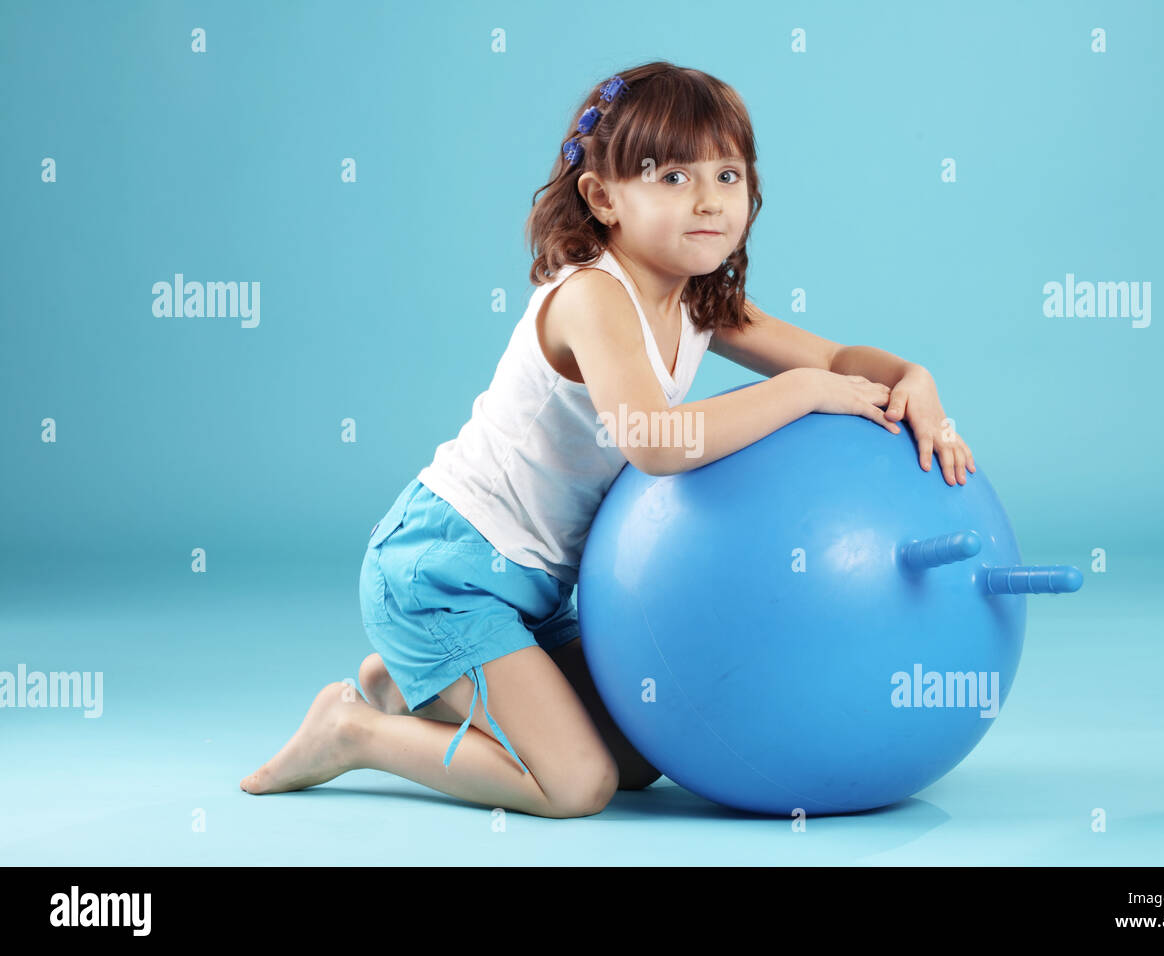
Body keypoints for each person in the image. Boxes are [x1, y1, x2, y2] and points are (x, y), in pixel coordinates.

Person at [240, 60, 975, 818]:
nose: (709, 201)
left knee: (634, 760)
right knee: (577, 785)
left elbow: (832, 360)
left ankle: (405, 685)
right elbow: (655, 441)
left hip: (539, 588)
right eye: (672, 178)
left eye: (728, 176)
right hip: (444, 573)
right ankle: (354, 730)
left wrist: (914, 376)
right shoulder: (592, 295)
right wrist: (800, 394)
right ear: (602, 198)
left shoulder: (698, 298)